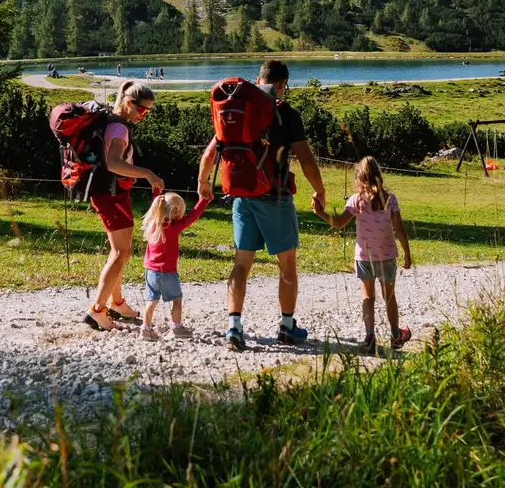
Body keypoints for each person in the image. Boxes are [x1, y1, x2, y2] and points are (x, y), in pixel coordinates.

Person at [197, 58, 328, 351]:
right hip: (275, 199)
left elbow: (210, 152)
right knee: (287, 265)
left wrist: (202, 182)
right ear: (283, 85)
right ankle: (286, 326)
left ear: (258, 80)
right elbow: (306, 160)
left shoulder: (240, 111)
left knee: (242, 263)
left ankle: (234, 326)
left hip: (241, 197)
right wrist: (320, 191)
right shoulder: (285, 113)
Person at [84, 79, 164, 332]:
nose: (144, 116)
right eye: (142, 110)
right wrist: (148, 174)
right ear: (128, 103)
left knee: (118, 251)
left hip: (109, 191)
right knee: (122, 253)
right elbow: (114, 163)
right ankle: (97, 310)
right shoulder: (120, 129)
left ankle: (116, 303)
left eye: (148, 112)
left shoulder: (109, 119)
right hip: (111, 193)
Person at [325, 156, 414, 354]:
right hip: (387, 256)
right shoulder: (390, 200)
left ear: (359, 178)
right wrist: (407, 253)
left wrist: (320, 213)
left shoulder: (356, 200)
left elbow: (339, 222)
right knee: (389, 297)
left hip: (364, 257)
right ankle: (395, 335)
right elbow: (399, 229)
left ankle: (369, 336)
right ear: (379, 175)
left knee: (368, 298)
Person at [139, 189, 209, 340]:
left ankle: (146, 329)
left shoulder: (152, 224)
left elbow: (156, 204)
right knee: (176, 300)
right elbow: (192, 216)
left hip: (150, 270)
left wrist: (156, 192)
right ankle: (177, 328)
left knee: (151, 300)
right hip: (167, 271)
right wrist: (203, 201)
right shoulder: (173, 228)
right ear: (176, 212)